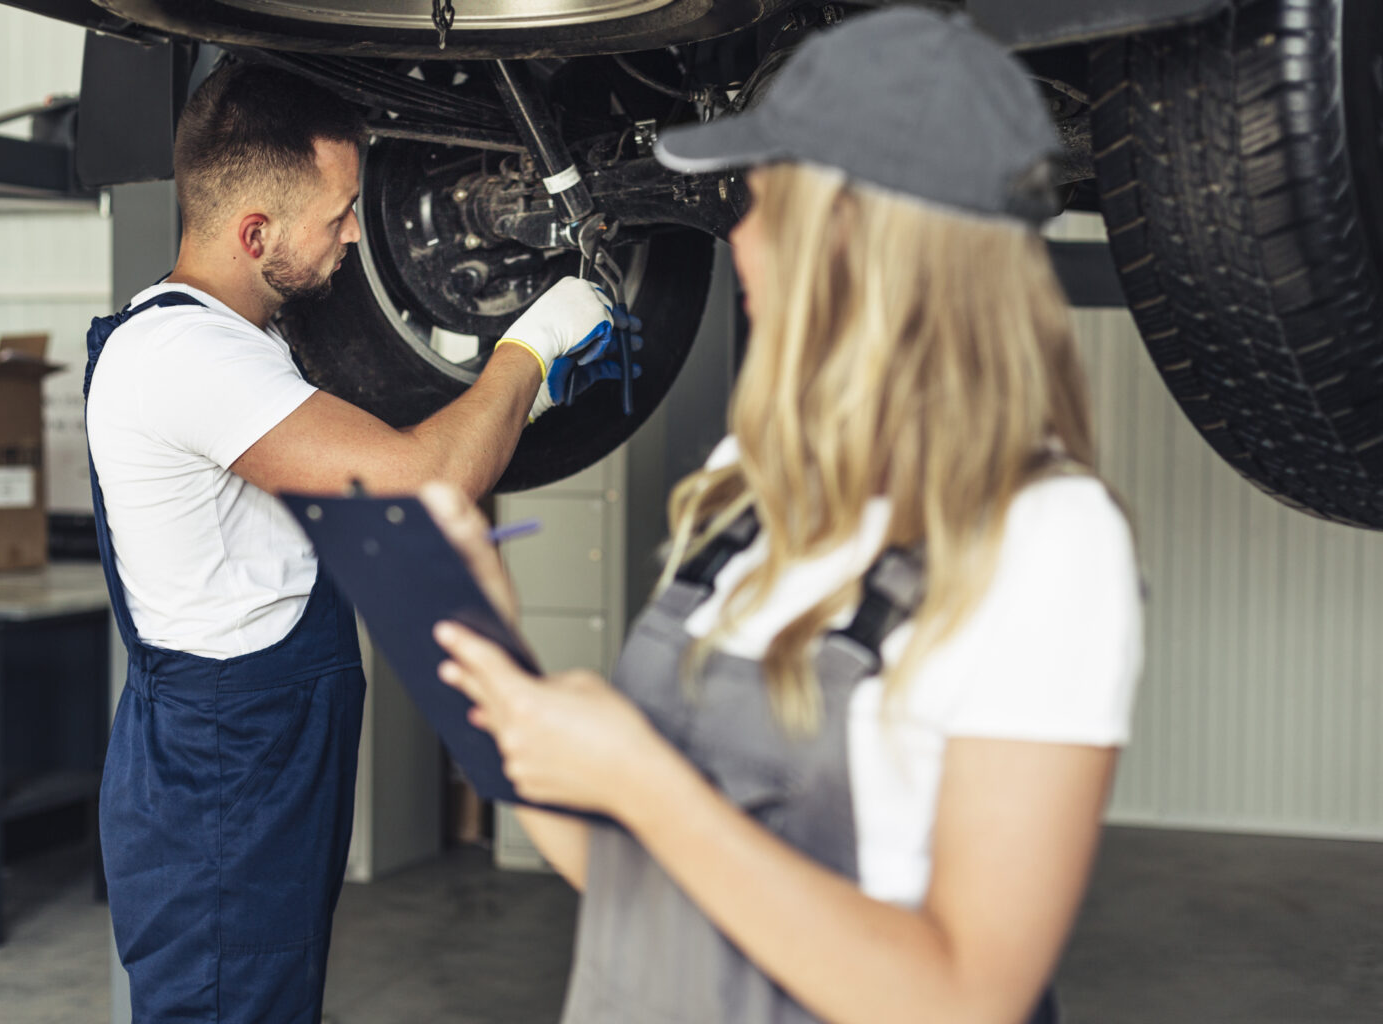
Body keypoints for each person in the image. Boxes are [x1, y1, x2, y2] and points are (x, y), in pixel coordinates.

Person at [423, 8, 1144, 1024]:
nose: (740, 232)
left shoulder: (1047, 539)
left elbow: (967, 997)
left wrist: (648, 785)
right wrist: (498, 663)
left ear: (858, 231)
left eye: (763, 196)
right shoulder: (752, 481)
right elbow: (635, 879)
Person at [83, 60, 615, 1022]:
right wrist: (531, 347)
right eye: (338, 214)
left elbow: (381, 463)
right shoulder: (183, 356)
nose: (355, 233)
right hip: (223, 777)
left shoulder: (243, 343)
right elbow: (424, 483)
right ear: (256, 234)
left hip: (257, 752)